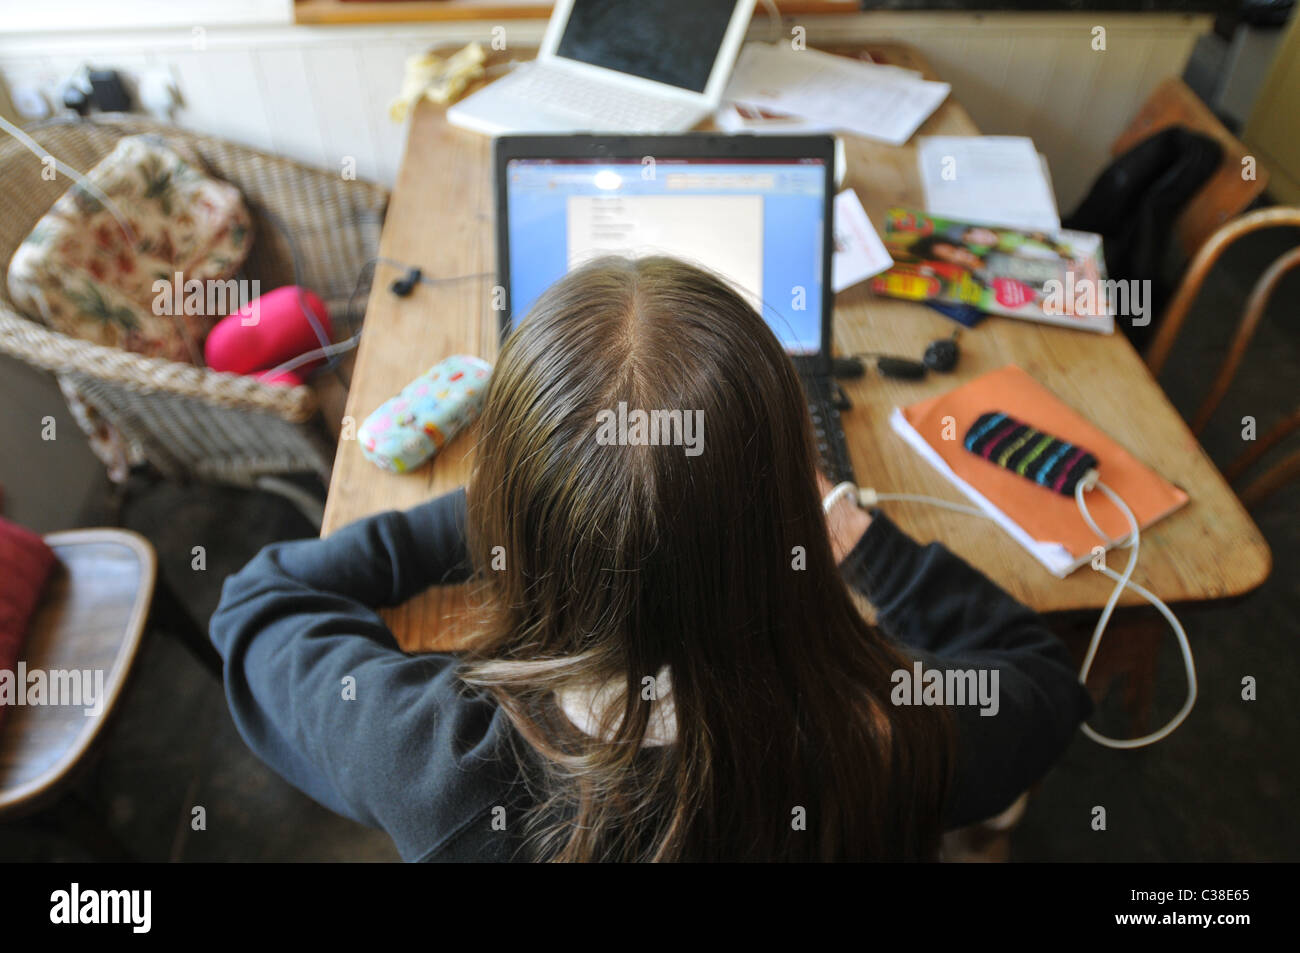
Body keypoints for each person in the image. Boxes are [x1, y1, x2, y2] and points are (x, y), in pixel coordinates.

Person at [210, 255, 1092, 862]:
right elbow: (1043, 681)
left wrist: (521, 505)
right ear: (781, 511)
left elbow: (259, 605)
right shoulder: (888, 732)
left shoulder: (435, 760)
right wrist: (861, 538)